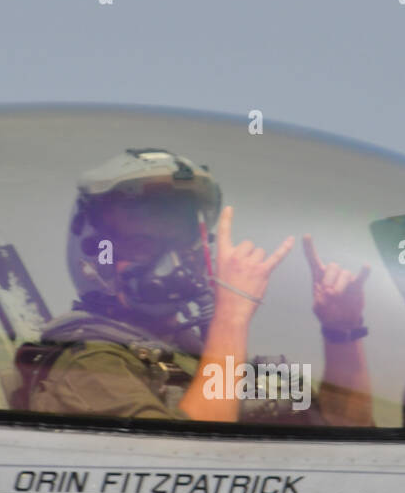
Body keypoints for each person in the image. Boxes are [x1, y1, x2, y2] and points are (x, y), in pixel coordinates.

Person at [21, 148, 372, 425]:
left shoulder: (199, 357)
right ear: (96, 251)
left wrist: (342, 333)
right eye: (143, 244)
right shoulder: (91, 365)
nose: (169, 262)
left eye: (177, 242)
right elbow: (187, 471)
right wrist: (232, 315)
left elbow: (350, 435)